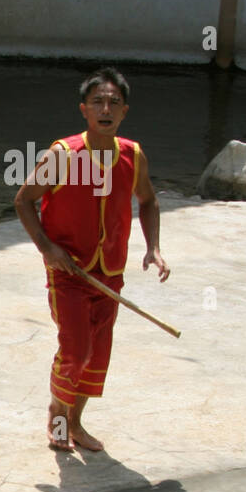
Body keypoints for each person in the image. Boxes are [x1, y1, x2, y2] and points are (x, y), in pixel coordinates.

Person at [13, 68, 170, 452]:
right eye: (98, 101)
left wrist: (153, 247)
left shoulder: (133, 155)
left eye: (114, 102)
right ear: (84, 109)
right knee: (76, 349)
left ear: (124, 111)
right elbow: (24, 200)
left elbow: (148, 201)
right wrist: (48, 249)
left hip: (110, 271)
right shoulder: (63, 154)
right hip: (69, 270)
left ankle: (77, 422)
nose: (106, 108)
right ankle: (59, 415)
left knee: (97, 354)